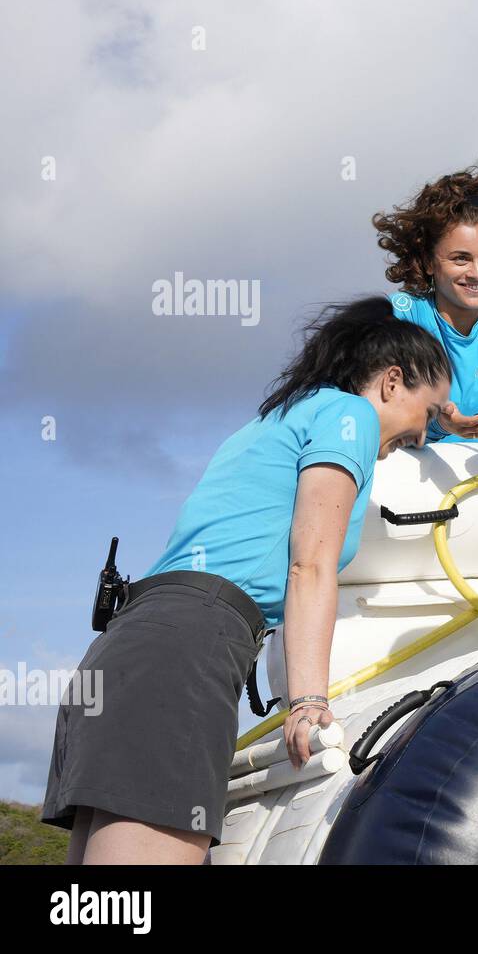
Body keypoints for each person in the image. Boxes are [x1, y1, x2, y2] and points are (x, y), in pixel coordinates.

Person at [40, 297, 452, 864]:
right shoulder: (348, 415)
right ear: (391, 381)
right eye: (428, 414)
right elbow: (311, 562)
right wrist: (306, 702)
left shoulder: (275, 419)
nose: (425, 437)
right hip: (185, 652)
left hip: (130, 648)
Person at [374, 160, 478, 448]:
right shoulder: (399, 316)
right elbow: (382, 419)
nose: (477, 273)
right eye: (461, 258)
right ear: (427, 262)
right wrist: (440, 424)